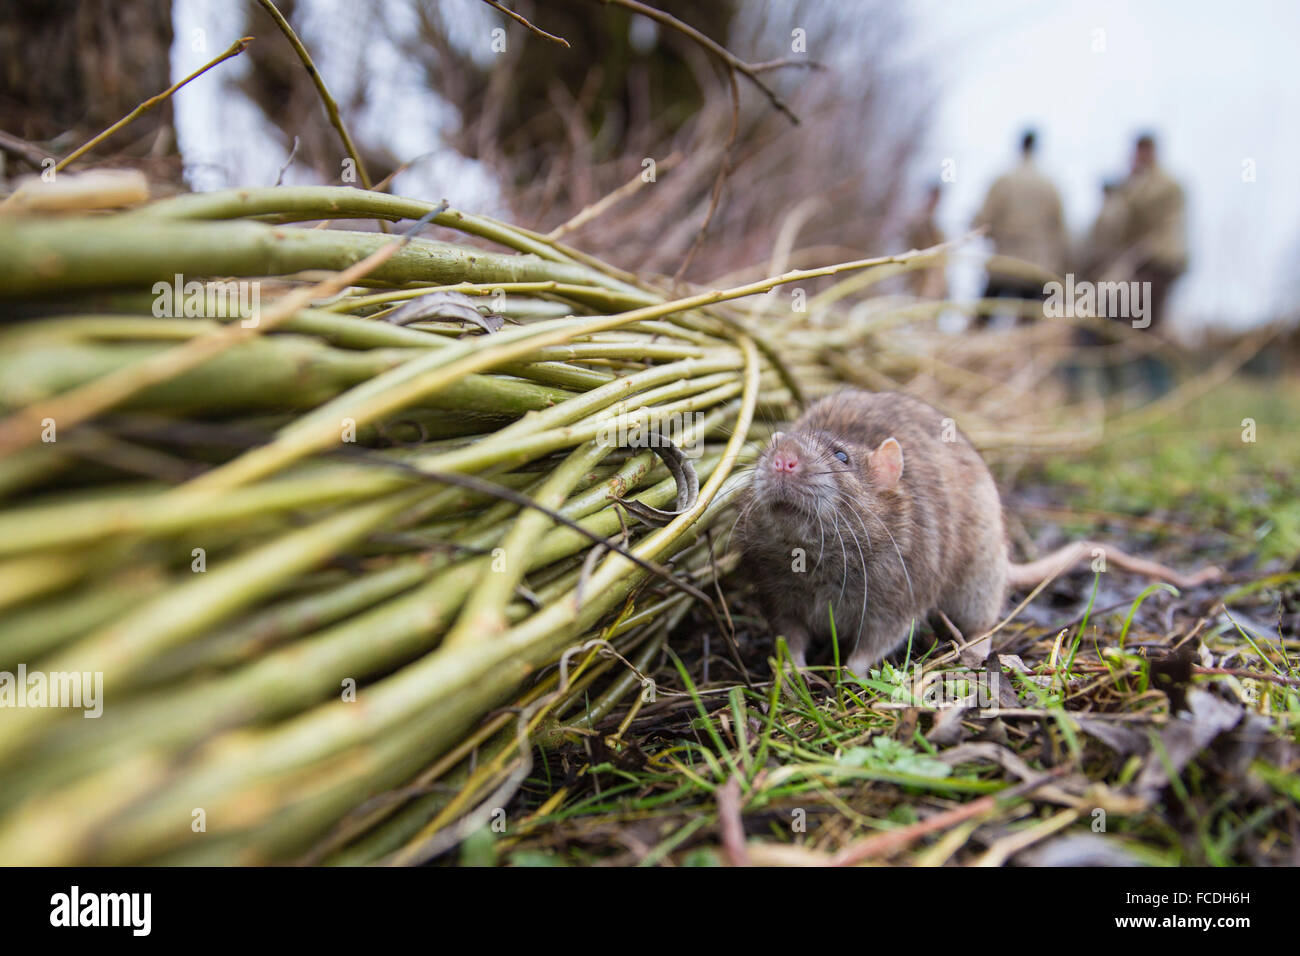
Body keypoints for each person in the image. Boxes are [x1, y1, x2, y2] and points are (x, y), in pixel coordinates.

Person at [972, 129, 1067, 326]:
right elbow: (1059, 232)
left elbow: (983, 222)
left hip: (1004, 265)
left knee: (980, 324)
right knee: (1027, 331)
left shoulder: (1004, 181)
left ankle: (966, 354)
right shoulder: (1049, 186)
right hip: (1034, 268)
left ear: (1019, 146)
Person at [1120, 132, 1188, 335]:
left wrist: (1131, 182)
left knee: (1142, 318)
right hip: (1152, 260)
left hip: (1160, 260)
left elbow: (1135, 214)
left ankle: (1145, 359)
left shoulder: (1162, 184)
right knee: (1143, 317)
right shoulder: (1150, 182)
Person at [905, 181, 947, 299]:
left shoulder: (937, 231)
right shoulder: (916, 226)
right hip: (914, 282)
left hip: (931, 286)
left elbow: (941, 265)